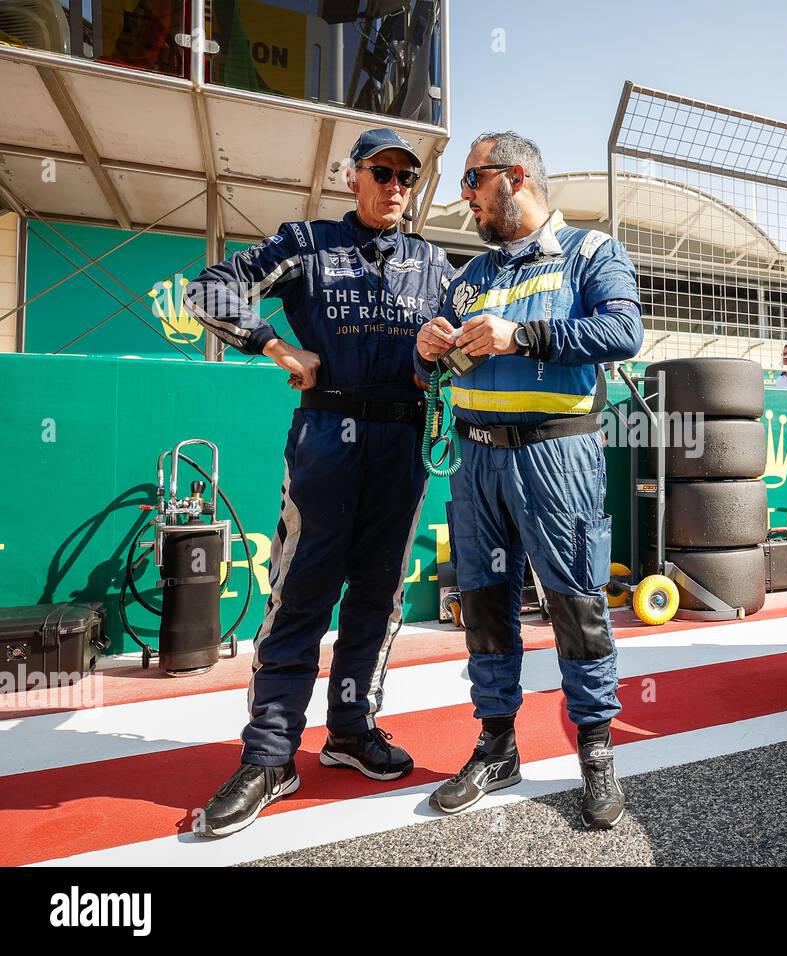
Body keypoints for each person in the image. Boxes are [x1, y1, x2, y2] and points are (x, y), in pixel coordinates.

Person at [184, 128, 453, 837]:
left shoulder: (434, 262)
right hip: (327, 439)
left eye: (406, 176)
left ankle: (352, 729)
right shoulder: (305, 242)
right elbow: (207, 289)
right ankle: (270, 755)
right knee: (301, 594)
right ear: (352, 177)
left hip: (403, 442)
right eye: (382, 172)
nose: (396, 185)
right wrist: (273, 344)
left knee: (378, 597)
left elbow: (460, 349)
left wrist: (443, 363)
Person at [414, 131, 643, 829]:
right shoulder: (470, 276)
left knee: (577, 604)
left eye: (473, 180)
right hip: (477, 459)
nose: (465, 196)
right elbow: (442, 367)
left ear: (515, 177)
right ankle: (495, 745)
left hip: (557, 456)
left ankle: (597, 748)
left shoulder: (591, 251)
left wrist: (523, 336)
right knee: (483, 607)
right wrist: (427, 353)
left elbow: (624, 332)